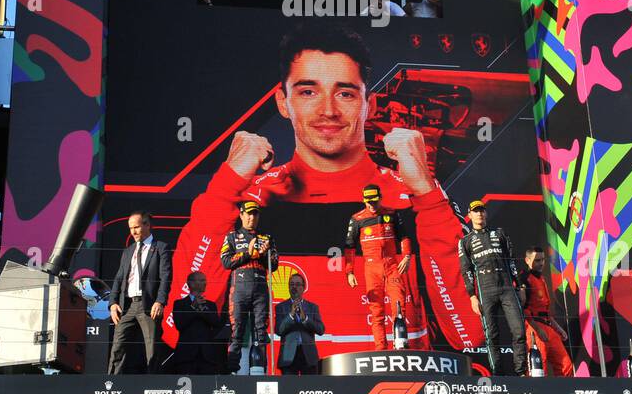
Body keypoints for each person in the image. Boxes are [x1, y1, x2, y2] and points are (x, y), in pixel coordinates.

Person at [169, 22, 475, 354]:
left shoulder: (413, 195)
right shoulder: (250, 198)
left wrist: (428, 197)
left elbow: (470, 332)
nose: (328, 110)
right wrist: (225, 189)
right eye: (308, 91)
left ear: (368, 105)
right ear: (283, 102)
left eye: (344, 93)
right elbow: (178, 330)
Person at [457, 201, 527, 376]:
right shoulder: (465, 241)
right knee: (492, 335)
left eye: (482, 210)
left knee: (519, 331)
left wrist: (520, 286)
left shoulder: (500, 234)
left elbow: (511, 261)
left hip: (506, 287)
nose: (479, 214)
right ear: (470, 215)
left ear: (486, 214)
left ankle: (521, 372)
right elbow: (466, 271)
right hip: (484, 289)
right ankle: (497, 375)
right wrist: (472, 296)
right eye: (475, 211)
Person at [344, 183, 413, 350]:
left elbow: (404, 236)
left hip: (391, 265)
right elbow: (349, 246)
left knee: (399, 305)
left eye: (374, 201)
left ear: (380, 198)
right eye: (368, 201)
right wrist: (349, 272)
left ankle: (400, 343)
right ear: (363, 200)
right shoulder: (357, 219)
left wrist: (407, 256)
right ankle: (380, 348)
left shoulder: (392, 213)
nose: (371, 205)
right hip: (371, 267)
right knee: (376, 310)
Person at [108, 212, 172, 374]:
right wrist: (113, 303)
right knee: (118, 348)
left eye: (136, 227)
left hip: (149, 305)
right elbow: (119, 278)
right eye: (131, 228)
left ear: (147, 225)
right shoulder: (128, 251)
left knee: (152, 349)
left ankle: (152, 386)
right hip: (127, 306)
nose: (133, 232)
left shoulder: (160, 248)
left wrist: (160, 301)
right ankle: (110, 386)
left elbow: (166, 277)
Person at [221, 201, 276, 374]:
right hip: (239, 290)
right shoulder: (232, 236)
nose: (252, 217)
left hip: (260, 289)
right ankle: (232, 374)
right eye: (249, 214)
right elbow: (226, 261)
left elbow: (274, 264)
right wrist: (247, 253)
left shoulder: (267, 238)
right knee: (237, 333)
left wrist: (264, 254)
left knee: (260, 332)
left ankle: (259, 373)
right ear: (241, 215)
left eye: (255, 214)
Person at [519, 248, 573, 376]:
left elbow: (545, 310)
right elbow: (522, 308)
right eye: (537, 260)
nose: (541, 263)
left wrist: (558, 328)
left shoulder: (541, 279)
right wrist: (537, 329)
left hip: (548, 327)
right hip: (533, 327)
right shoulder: (524, 278)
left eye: (543, 260)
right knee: (538, 367)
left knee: (565, 365)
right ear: (527, 260)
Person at [166, 271, 223, 374]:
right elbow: (180, 324)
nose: (205, 283)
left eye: (204, 280)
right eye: (201, 280)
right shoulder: (179, 304)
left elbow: (216, 323)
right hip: (186, 356)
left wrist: (203, 309)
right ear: (190, 283)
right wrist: (193, 307)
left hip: (207, 357)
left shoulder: (210, 305)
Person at [276, 274, 325, 375]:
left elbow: (321, 330)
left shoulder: (312, 307)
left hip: (308, 355)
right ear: (289, 287)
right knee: (288, 388)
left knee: (310, 388)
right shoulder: (281, 307)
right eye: (292, 284)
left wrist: (306, 319)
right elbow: (279, 330)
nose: (294, 287)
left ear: (304, 288)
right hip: (288, 356)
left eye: (298, 284)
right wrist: (290, 315)